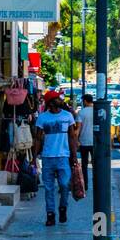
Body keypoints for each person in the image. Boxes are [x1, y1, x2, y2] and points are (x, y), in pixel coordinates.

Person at [33, 89, 77, 226]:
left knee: (64, 185)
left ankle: (63, 207)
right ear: (51, 103)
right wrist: (34, 157)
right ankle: (50, 214)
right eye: (58, 99)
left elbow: (72, 137)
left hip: (63, 157)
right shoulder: (42, 118)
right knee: (48, 188)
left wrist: (74, 156)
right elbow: (38, 139)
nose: (61, 100)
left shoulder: (68, 116)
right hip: (47, 157)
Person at [77, 94, 95, 191]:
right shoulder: (96, 111)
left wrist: (76, 140)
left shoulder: (81, 112)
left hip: (84, 141)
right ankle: (96, 183)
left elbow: (78, 128)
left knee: (84, 164)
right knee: (95, 164)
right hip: (94, 141)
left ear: (85, 101)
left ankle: (85, 185)